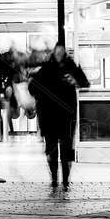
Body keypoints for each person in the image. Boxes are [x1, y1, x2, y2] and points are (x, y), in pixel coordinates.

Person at [28, 41, 90, 191]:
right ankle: (57, 179)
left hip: (63, 116)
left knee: (63, 148)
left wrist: (75, 81)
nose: (59, 55)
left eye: (61, 53)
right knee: (55, 149)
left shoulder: (70, 67)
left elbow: (85, 83)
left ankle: (63, 180)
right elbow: (32, 88)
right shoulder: (46, 69)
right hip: (52, 115)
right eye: (58, 53)